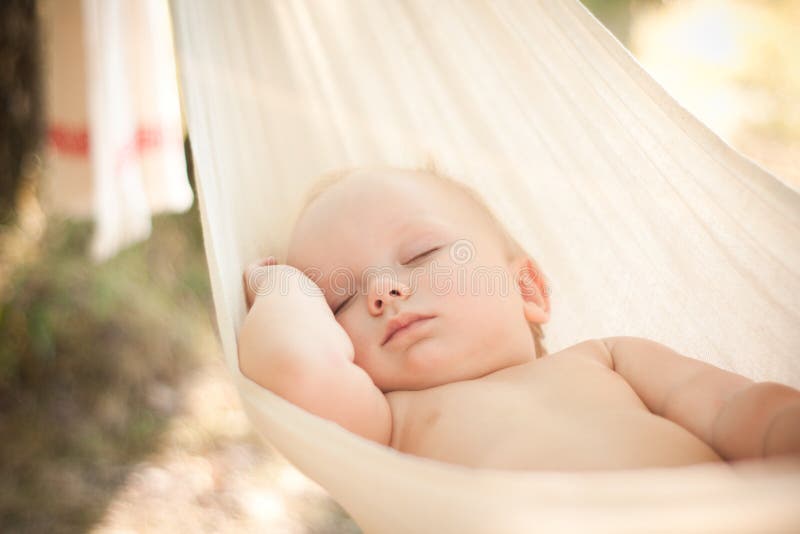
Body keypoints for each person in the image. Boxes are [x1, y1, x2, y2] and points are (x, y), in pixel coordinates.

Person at [237, 166, 800, 471]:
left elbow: (731, 408)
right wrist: (282, 288)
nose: (383, 290)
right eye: (338, 302)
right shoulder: (387, 424)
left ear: (526, 287)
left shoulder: (612, 359)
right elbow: (294, 365)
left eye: (421, 255)